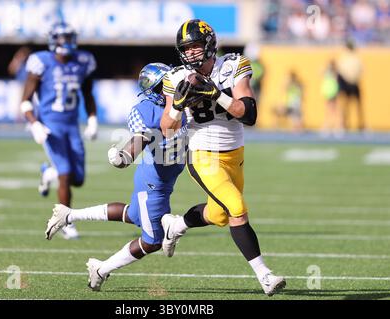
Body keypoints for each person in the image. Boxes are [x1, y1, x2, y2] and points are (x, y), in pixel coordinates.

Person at [159, 19, 286, 296]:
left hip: (234, 153)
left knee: (218, 215)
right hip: (202, 154)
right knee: (236, 207)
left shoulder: (232, 66)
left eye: (194, 46)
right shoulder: (176, 78)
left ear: (208, 45)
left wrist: (217, 94)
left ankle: (175, 225)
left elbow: (249, 114)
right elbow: (167, 130)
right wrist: (177, 107)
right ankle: (265, 275)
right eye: (186, 48)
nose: (190, 53)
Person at [45, 62, 194, 291]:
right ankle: (102, 269)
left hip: (162, 178)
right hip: (153, 184)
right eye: (166, 85)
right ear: (156, 89)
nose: (172, 89)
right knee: (152, 242)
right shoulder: (147, 110)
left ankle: (68, 215)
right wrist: (124, 156)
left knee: (132, 214)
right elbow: (140, 139)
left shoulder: (179, 104)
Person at [20, 22, 98, 239]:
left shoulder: (83, 61)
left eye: (69, 38)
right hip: (50, 125)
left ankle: (48, 172)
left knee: (78, 179)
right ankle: (67, 222)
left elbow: (88, 94)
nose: (66, 43)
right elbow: (25, 101)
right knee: (65, 175)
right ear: (53, 40)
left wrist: (92, 119)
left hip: (72, 124)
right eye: (62, 39)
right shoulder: (41, 62)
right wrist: (34, 123)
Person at [336, 39, 364, 131]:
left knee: (354, 105)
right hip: (349, 83)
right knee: (347, 105)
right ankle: (345, 124)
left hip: (350, 83)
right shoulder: (347, 58)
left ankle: (358, 124)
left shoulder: (353, 58)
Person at [321, 60, 342, 138]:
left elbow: (336, 78)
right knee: (328, 110)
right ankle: (327, 128)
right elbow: (321, 72)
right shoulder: (327, 72)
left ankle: (337, 128)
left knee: (334, 110)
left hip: (333, 92)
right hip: (328, 92)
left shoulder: (335, 72)